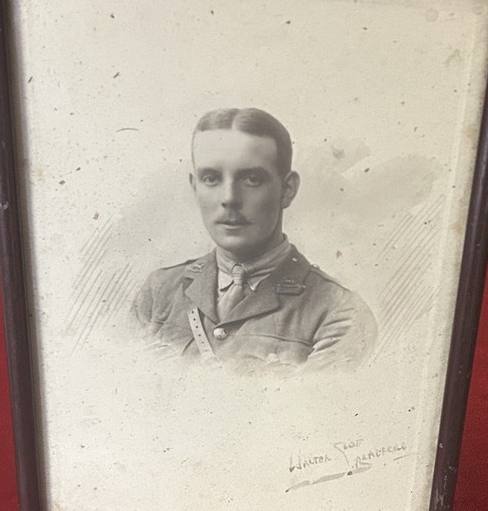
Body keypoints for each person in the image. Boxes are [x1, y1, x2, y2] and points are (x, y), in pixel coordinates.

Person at [133, 108, 377, 370]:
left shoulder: (339, 313)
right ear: (195, 187)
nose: (229, 198)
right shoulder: (159, 293)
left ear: (287, 190)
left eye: (252, 179)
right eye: (211, 178)